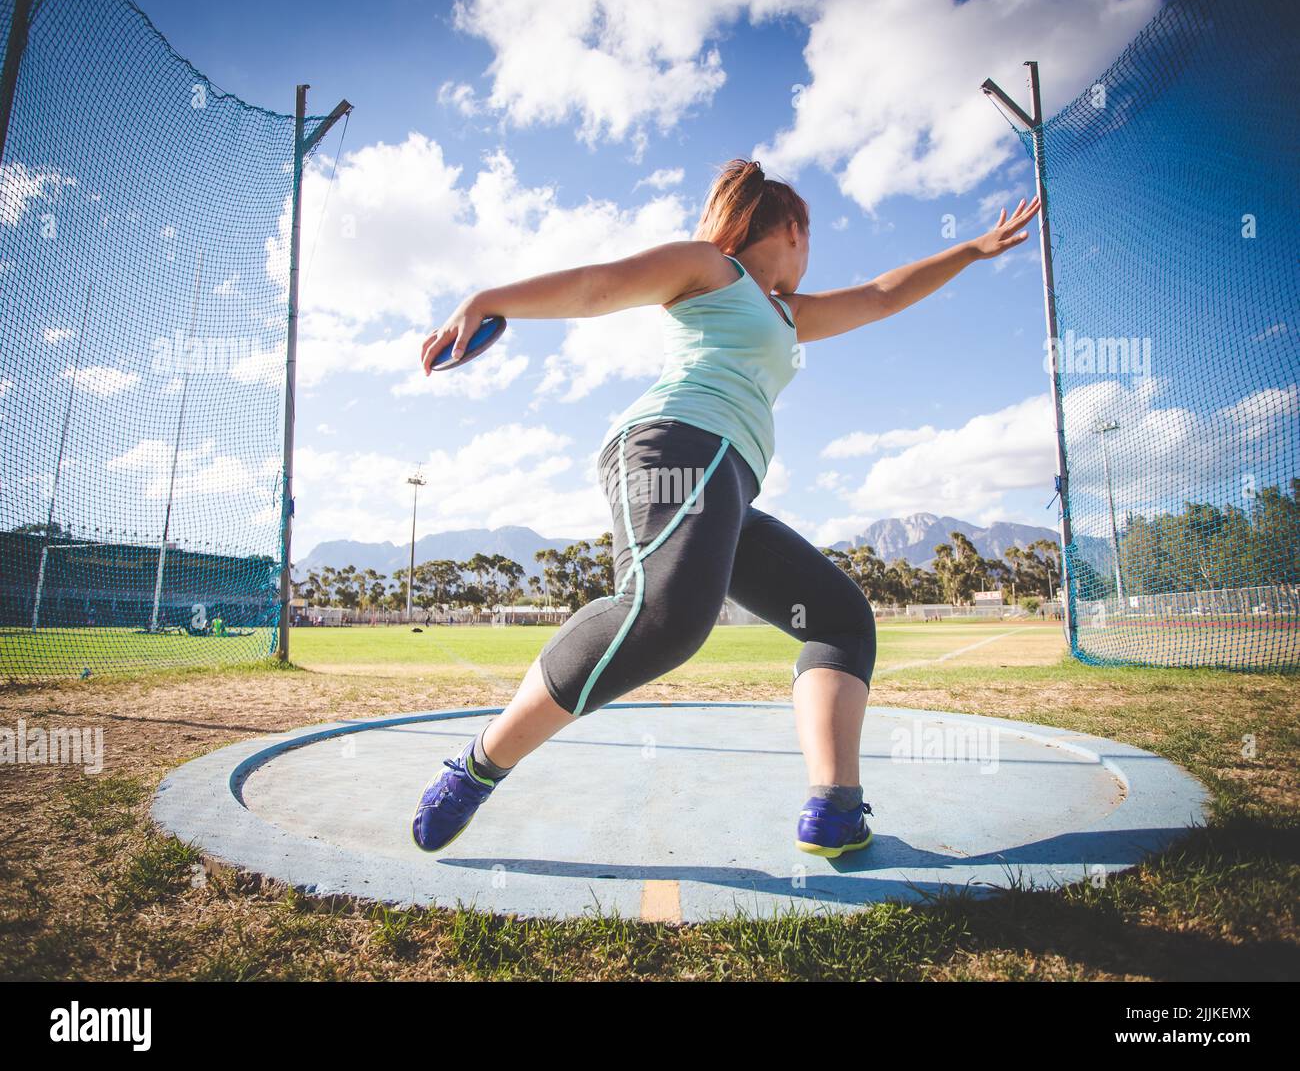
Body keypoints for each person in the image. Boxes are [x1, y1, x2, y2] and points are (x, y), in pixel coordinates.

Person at [413, 159, 1038, 858]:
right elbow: (601, 287)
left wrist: (972, 249)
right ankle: (475, 769)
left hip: (729, 483)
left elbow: (882, 295)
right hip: (676, 447)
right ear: (795, 230)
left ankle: (835, 809)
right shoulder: (712, 269)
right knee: (664, 619)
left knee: (838, 619)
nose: (814, 256)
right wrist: (488, 297)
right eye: (814, 239)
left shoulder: (784, 314)